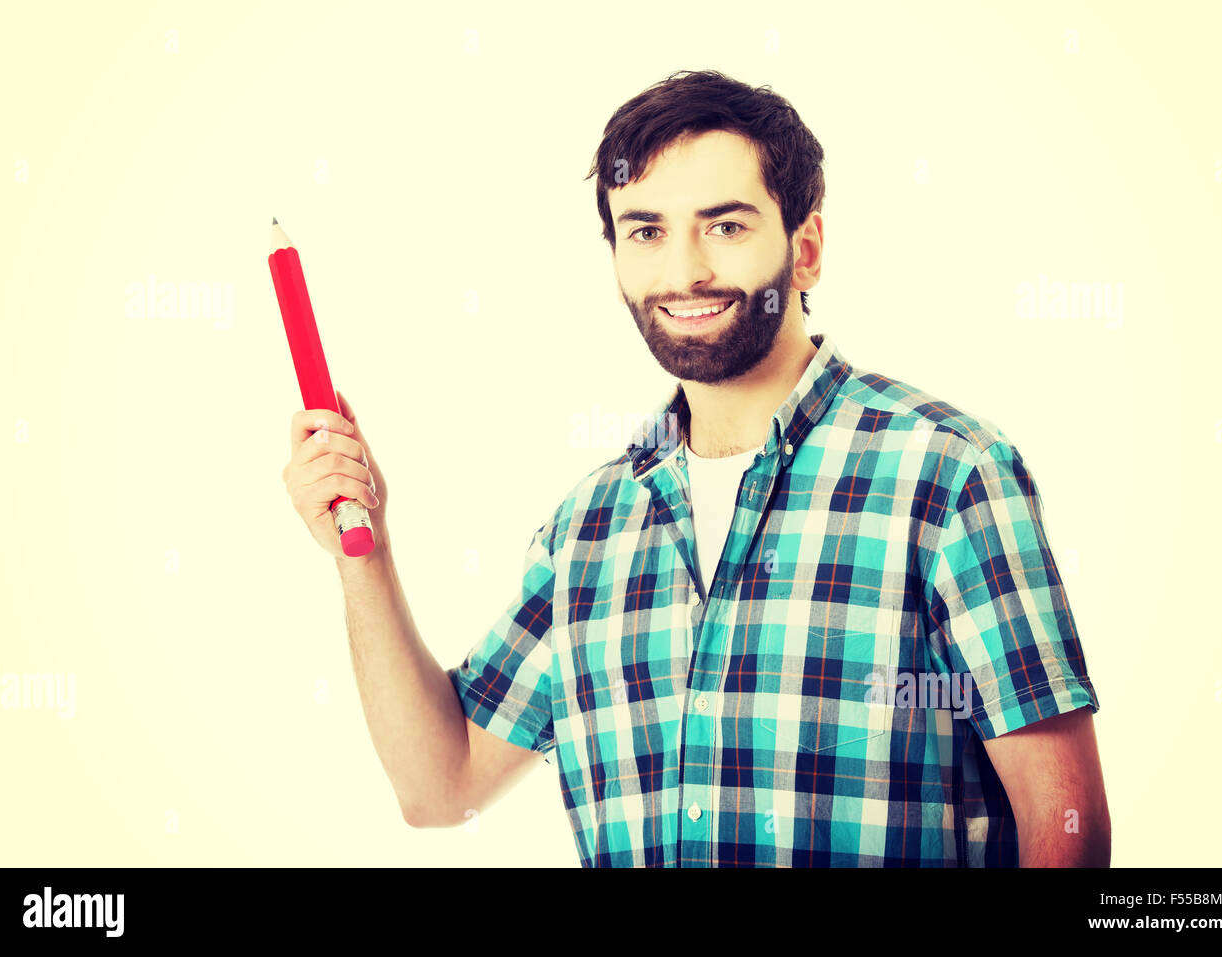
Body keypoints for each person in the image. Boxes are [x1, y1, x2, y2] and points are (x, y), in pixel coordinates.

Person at [281, 70, 1109, 867]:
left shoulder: (948, 475)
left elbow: (1064, 821)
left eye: (726, 225)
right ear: (614, 261)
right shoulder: (588, 531)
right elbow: (442, 783)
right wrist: (366, 557)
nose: (684, 273)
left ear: (806, 248)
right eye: (646, 231)